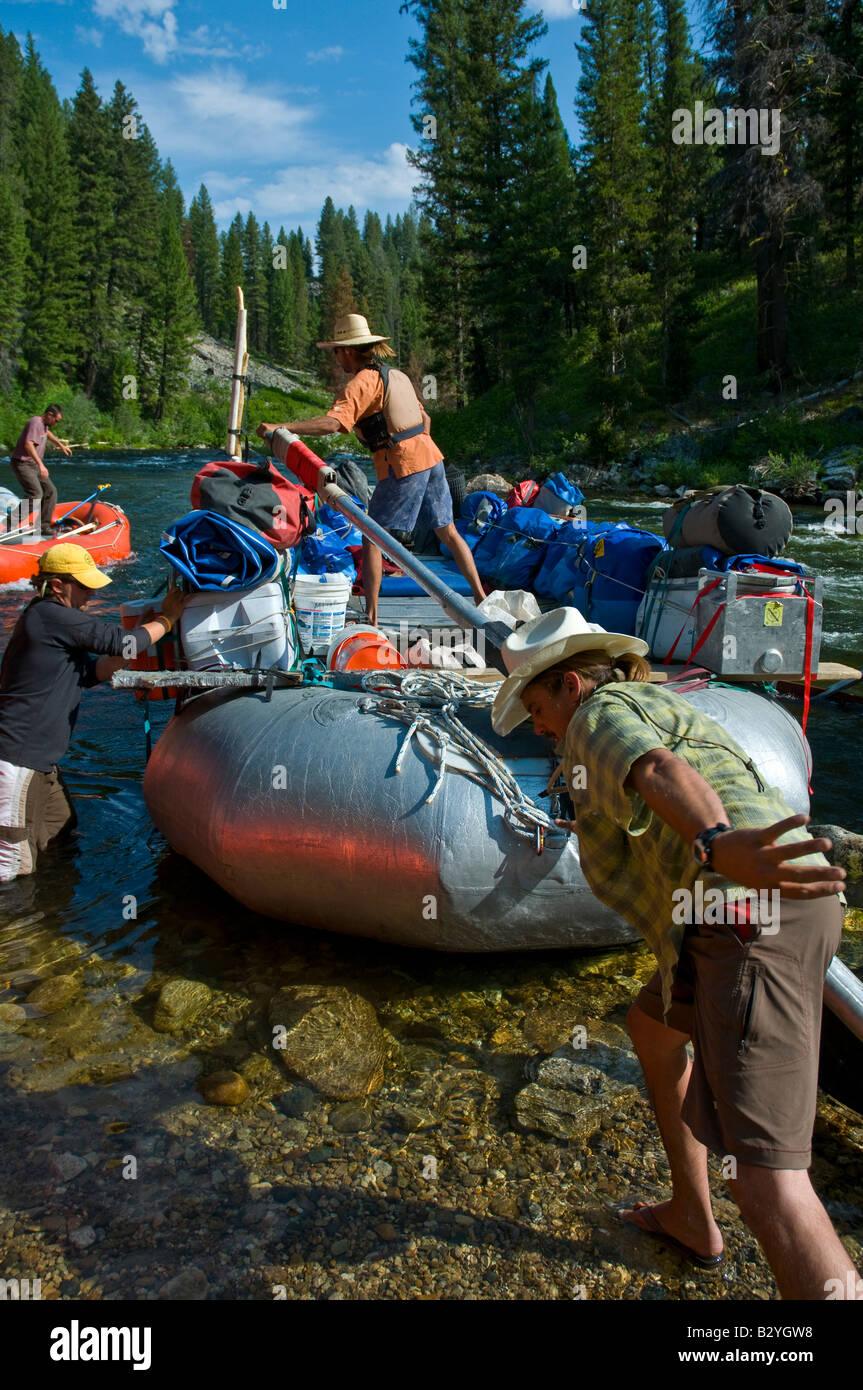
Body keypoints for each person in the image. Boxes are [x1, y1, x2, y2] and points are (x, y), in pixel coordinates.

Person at [491, 607, 859, 1301]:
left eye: (537, 708)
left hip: (744, 917)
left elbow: (655, 767)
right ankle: (692, 1215)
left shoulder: (598, 716)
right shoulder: (655, 701)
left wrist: (713, 842)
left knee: (767, 1184)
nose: (537, 728)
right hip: (756, 911)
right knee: (651, 1027)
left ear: (571, 685)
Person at [256, 314, 486, 626]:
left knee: (371, 536)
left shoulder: (362, 382)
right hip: (431, 456)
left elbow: (335, 424)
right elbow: (425, 420)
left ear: (348, 350)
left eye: (337, 351)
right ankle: (480, 598)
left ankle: (371, 618)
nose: (336, 357)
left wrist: (283, 427)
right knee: (447, 530)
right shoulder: (396, 375)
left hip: (403, 462)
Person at [0, 544, 186, 882]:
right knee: (13, 864)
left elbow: (95, 672)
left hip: (40, 761)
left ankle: (55, 907)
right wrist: (167, 619)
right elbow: (121, 643)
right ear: (57, 585)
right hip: (18, 758)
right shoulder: (49, 614)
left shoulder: (48, 624)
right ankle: (20, 931)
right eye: (84, 586)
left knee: (61, 831)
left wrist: (140, 634)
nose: (89, 596)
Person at [10, 404, 71, 537]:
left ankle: (43, 526)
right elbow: (28, 444)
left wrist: (60, 444)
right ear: (49, 415)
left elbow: (46, 432)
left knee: (51, 491)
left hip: (33, 465)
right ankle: (9, 525)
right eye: (56, 420)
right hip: (22, 463)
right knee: (35, 494)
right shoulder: (35, 422)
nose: (56, 423)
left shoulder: (44, 424)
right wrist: (41, 465)